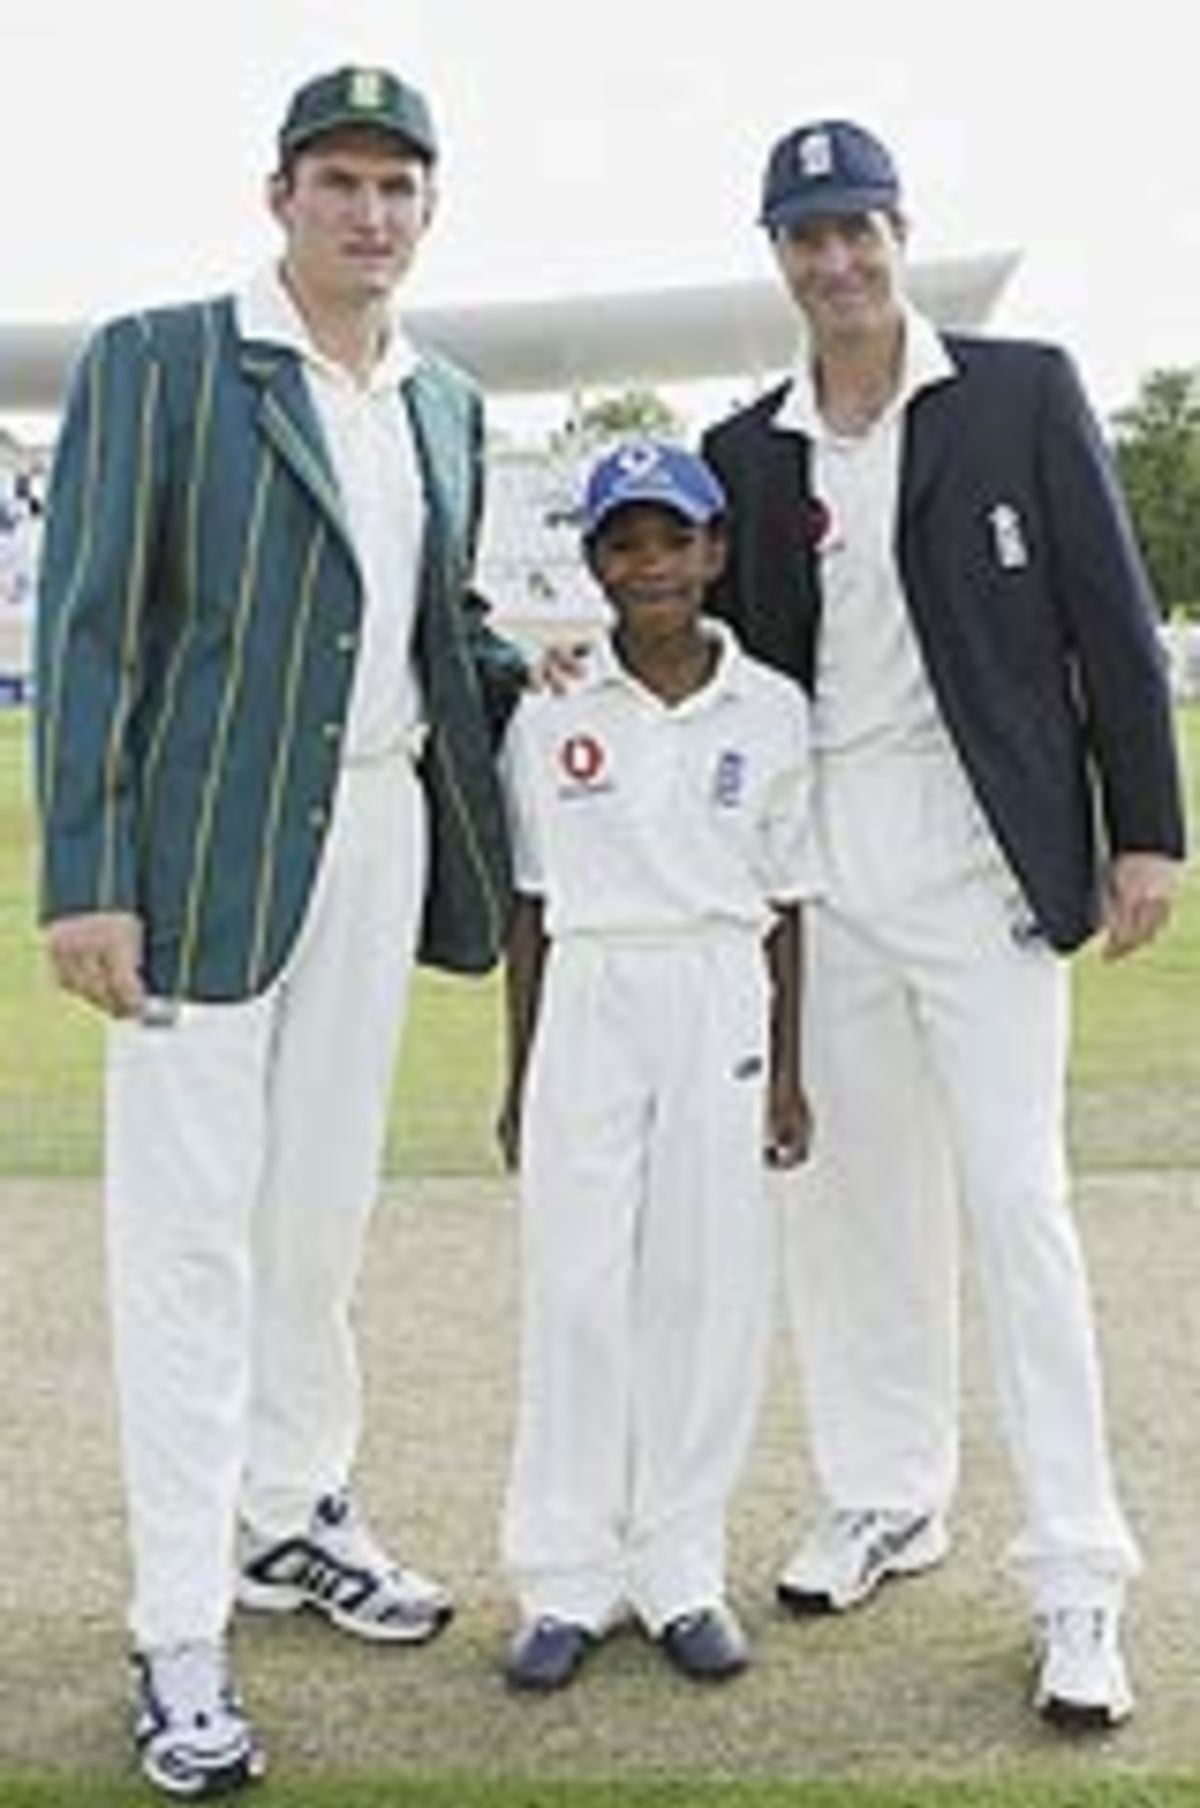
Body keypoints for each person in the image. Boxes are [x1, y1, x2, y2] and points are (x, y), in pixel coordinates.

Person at [34, 64, 525, 1797]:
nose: (370, 213)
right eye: (341, 182)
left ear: (428, 209)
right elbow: (88, 626)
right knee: (186, 1242)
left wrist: (563, 688)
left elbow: (439, 634)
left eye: (400, 186)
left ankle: (291, 1509)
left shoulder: (447, 399)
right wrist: (85, 867)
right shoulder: (163, 359)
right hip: (196, 863)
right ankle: (181, 1622)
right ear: (280, 197)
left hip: (380, 835)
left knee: (321, 1215)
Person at [701, 118, 1186, 1729]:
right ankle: (886, 1492)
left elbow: (1112, 624)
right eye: (803, 236)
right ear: (777, 254)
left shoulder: (1024, 390)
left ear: (901, 231)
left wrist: (1148, 837)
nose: (834, 261)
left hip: (986, 865)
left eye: (857, 228)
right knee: (852, 1210)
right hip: (826, 869)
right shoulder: (748, 444)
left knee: (1015, 1207)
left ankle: (1078, 1580)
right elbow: (723, 660)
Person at [496, 440, 815, 1692]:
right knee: (575, 1282)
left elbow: (790, 902)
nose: (652, 566)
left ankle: (679, 1564)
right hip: (590, 988)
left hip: (720, 988)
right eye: (624, 543)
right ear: (593, 563)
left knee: (705, 1279)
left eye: (673, 540)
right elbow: (529, 903)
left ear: (715, 551)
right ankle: (567, 1573)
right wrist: (523, 1074)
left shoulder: (775, 707)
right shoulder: (554, 706)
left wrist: (785, 1072)